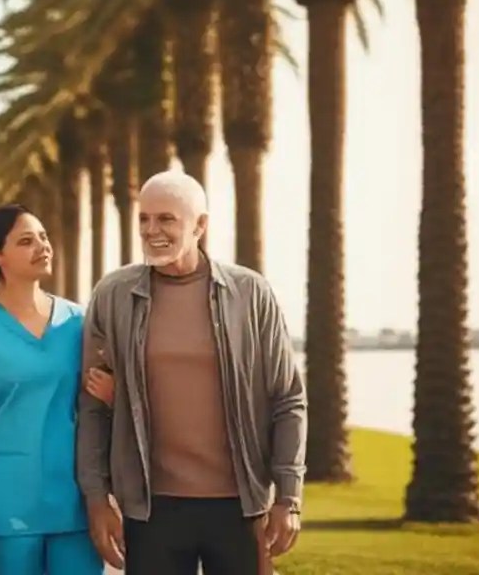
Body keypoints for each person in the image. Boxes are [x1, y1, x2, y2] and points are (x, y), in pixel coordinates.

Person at [76, 170, 308, 575]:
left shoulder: (250, 293)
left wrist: (288, 498)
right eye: (144, 219)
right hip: (151, 510)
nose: (152, 231)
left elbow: (288, 399)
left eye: (166, 219)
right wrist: (98, 499)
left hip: (240, 504)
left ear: (200, 225)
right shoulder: (113, 296)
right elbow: (93, 408)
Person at [0, 203, 111, 575]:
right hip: (3, 512)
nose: (42, 247)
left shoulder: (81, 322)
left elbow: (104, 411)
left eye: (43, 238)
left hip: (75, 507)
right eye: (26, 241)